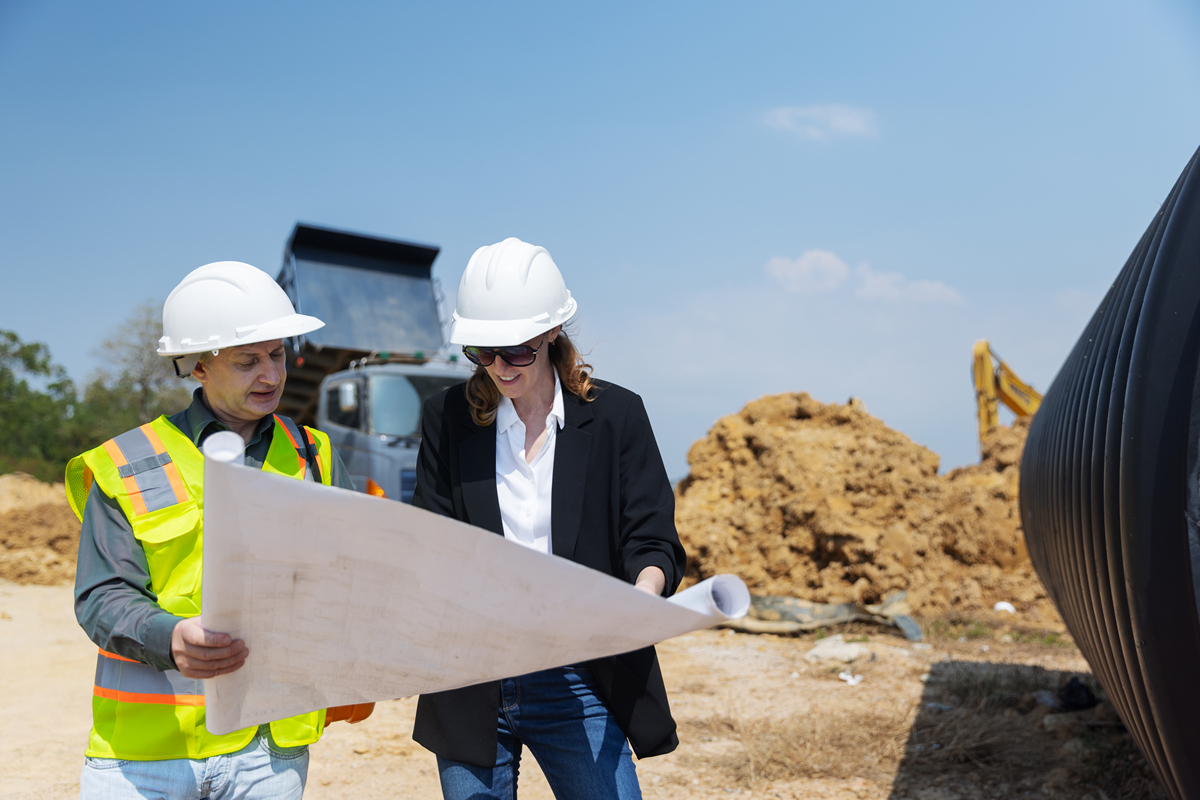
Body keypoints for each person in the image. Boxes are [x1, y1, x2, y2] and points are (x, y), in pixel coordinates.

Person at [65, 261, 370, 800]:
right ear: (199, 366)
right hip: (145, 757)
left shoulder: (314, 457)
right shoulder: (126, 463)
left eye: (277, 354)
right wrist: (170, 637)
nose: (273, 375)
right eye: (248, 360)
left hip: (271, 753)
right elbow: (101, 596)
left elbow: (351, 577)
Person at [411, 237, 687, 799]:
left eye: (515, 352)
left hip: (578, 674)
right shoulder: (448, 419)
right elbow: (430, 537)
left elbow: (651, 537)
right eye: (481, 353)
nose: (498, 368)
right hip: (471, 674)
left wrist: (643, 593)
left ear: (552, 334)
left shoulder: (615, 417)